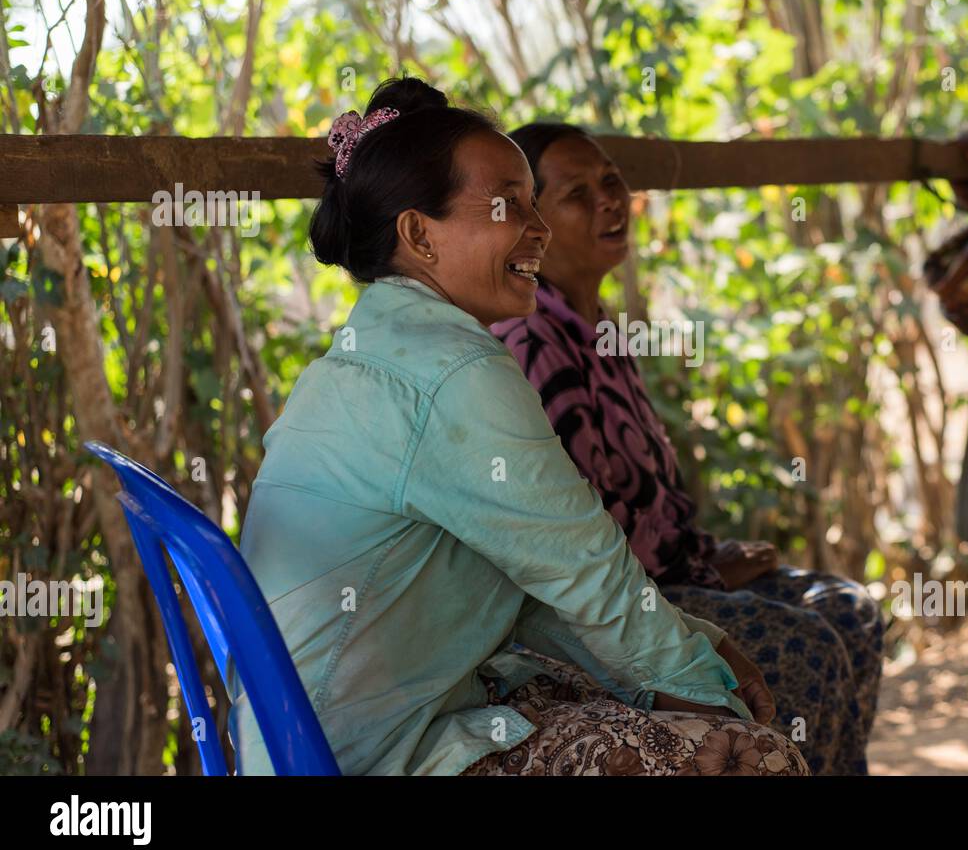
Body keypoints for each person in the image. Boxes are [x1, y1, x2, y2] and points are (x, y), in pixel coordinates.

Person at [230, 78, 807, 777]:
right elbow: (588, 573)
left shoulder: (373, 353)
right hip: (367, 755)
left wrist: (700, 645)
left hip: (314, 742)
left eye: (535, 200)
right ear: (418, 234)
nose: (537, 226)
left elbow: (536, 584)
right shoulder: (452, 370)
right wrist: (713, 696)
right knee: (757, 755)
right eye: (509, 202)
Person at [493, 122, 883, 774]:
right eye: (578, 194)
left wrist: (705, 558)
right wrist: (702, 572)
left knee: (850, 611)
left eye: (611, 181)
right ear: (533, 221)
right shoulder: (532, 340)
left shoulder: (598, 328)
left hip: (678, 572)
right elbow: (574, 534)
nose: (609, 201)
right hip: (611, 604)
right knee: (807, 646)